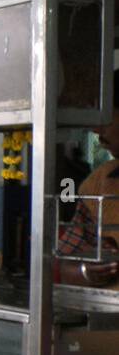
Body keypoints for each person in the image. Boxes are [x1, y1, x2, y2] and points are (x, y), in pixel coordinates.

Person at [58, 86, 119, 288]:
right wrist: (87, 272)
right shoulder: (98, 183)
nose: (96, 129)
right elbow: (65, 262)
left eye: (106, 117)